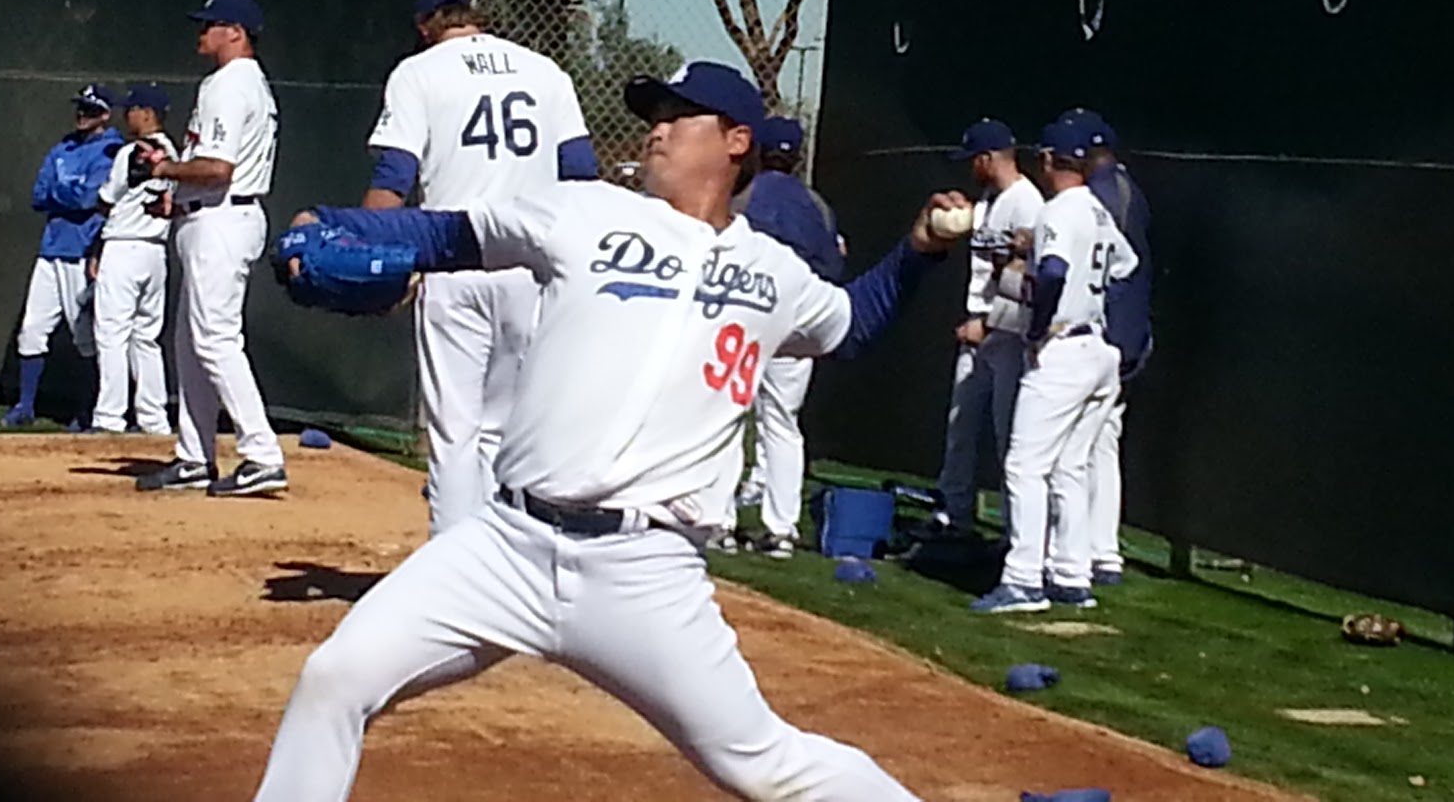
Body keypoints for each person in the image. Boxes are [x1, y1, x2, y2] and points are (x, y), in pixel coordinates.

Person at [252, 61, 960, 802]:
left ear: (736, 140)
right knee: (334, 678)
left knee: (762, 764)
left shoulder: (774, 274)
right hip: (505, 547)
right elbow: (447, 234)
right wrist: (344, 223)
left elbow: (850, 327)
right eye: (655, 113)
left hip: (644, 571)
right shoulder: (585, 212)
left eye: (680, 115)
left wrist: (917, 253)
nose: (657, 128)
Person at [362, 0, 598, 535]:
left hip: (454, 259)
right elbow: (582, 174)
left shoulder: (418, 72)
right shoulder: (545, 72)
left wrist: (378, 251)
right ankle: (499, 563)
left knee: (454, 431)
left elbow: (394, 177)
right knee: (507, 426)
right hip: (531, 266)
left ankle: (450, 569)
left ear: (426, 26)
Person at [971, 112, 1137, 614]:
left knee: (1025, 465)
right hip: (1100, 348)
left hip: (1063, 350)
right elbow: (1125, 267)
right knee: (1070, 466)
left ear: (1047, 159)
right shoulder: (1099, 210)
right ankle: (1071, 575)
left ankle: (1023, 580)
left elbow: (1056, 272)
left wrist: (1040, 325)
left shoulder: (1059, 210)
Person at [134, 0, 283, 497]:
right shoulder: (245, 83)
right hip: (214, 215)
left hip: (223, 218)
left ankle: (262, 455)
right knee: (190, 345)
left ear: (235, 33)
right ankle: (194, 456)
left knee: (216, 340)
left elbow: (219, 169)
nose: (201, 32)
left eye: (211, 25)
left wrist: (162, 169)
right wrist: (176, 201)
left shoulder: (230, 83)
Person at [721, 115, 846, 559]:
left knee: (728, 417)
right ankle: (782, 530)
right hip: (795, 326)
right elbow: (835, 269)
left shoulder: (740, 195)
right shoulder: (817, 206)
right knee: (783, 426)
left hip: (745, 321)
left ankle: (722, 521)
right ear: (795, 157)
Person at [922, 118, 1044, 537]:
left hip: (1007, 335)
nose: (969, 167)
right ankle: (953, 513)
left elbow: (1028, 277)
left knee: (1009, 436)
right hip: (979, 326)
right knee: (960, 429)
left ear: (988, 158)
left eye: (974, 159)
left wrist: (989, 326)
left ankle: (1018, 536)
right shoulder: (991, 198)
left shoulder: (1028, 202)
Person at [1062, 108, 1153, 587]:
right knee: (1101, 447)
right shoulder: (1125, 189)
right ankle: (1103, 553)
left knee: (1079, 451)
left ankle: (1078, 555)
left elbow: (1116, 276)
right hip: (1127, 336)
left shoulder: (1099, 197)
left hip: (1108, 337)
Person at [3, 84, 124, 429]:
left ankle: (87, 411)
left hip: (82, 251)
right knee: (32, 329)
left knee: (84, 334)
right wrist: (70, 193)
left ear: (105, 114)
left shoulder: (111, 150)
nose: (81, 114)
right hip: (51, 249)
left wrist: (66, 193)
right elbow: (39, 195)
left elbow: (92, 199)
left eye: (89, 109)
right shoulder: (63, 147)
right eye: (79, 108)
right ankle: (25, 405)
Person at [86, 83, 178, 435]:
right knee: (146, 337)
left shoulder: (130, 153)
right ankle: (154, 419)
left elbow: (106, 199)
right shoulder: (174, 154)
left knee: (111, 334)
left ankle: (109, 417)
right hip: (156, 251)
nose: (128, 115)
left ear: (147, 113)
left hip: (124, 247)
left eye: (133, 109)